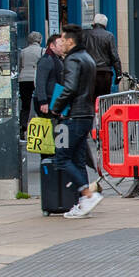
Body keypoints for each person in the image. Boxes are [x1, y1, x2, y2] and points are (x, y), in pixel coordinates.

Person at [50, 24, 103, 219]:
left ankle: (87, 195)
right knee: (79, 159)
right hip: (86, 114)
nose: (60, 43)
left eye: (62, 40)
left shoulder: (72, 59)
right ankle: (83, 203)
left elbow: (70, 88)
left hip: (73, 115)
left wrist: (56, 107)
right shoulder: (88, 58)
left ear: (70, 41)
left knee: (61, 157)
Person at [83, 13, 122, 99]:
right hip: (104, 73)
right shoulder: (109, 36)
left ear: (94, 22)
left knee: (89, 99)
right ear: (105, 24)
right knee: (103, 100)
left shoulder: (86, 34)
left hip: (89, 71)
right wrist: (119, 74)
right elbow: (114, 56)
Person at [32, 33, 64, 120]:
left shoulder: (57, 59)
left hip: (53, 98)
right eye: (60, 45)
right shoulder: (46, 60)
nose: (63, 47)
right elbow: (40, 81)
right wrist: (43, 101)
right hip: (47, 100)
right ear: (52, 46)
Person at [17, 31, 42, 134]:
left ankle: (23, 126)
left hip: (24, 79)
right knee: (39, 103)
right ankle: (38, 127)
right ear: (39, 40)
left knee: (25, 105)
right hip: (36, 79)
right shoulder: (42, 51)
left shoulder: (23, 51)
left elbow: (20, 66)